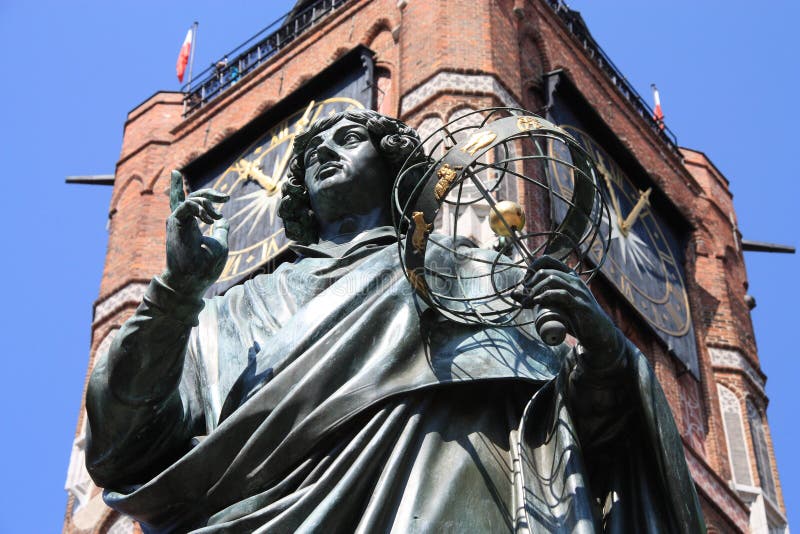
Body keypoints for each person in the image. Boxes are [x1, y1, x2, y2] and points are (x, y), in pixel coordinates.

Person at [86, 110, 705, 533]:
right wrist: (177, 292)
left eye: (348, 138)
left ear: (392, 166)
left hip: (449, 498)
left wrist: (606, 355)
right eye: (311, 152)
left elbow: (559, 426)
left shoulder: (469, 270)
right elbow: (122, 448)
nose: (324, 151)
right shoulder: (224, 312)